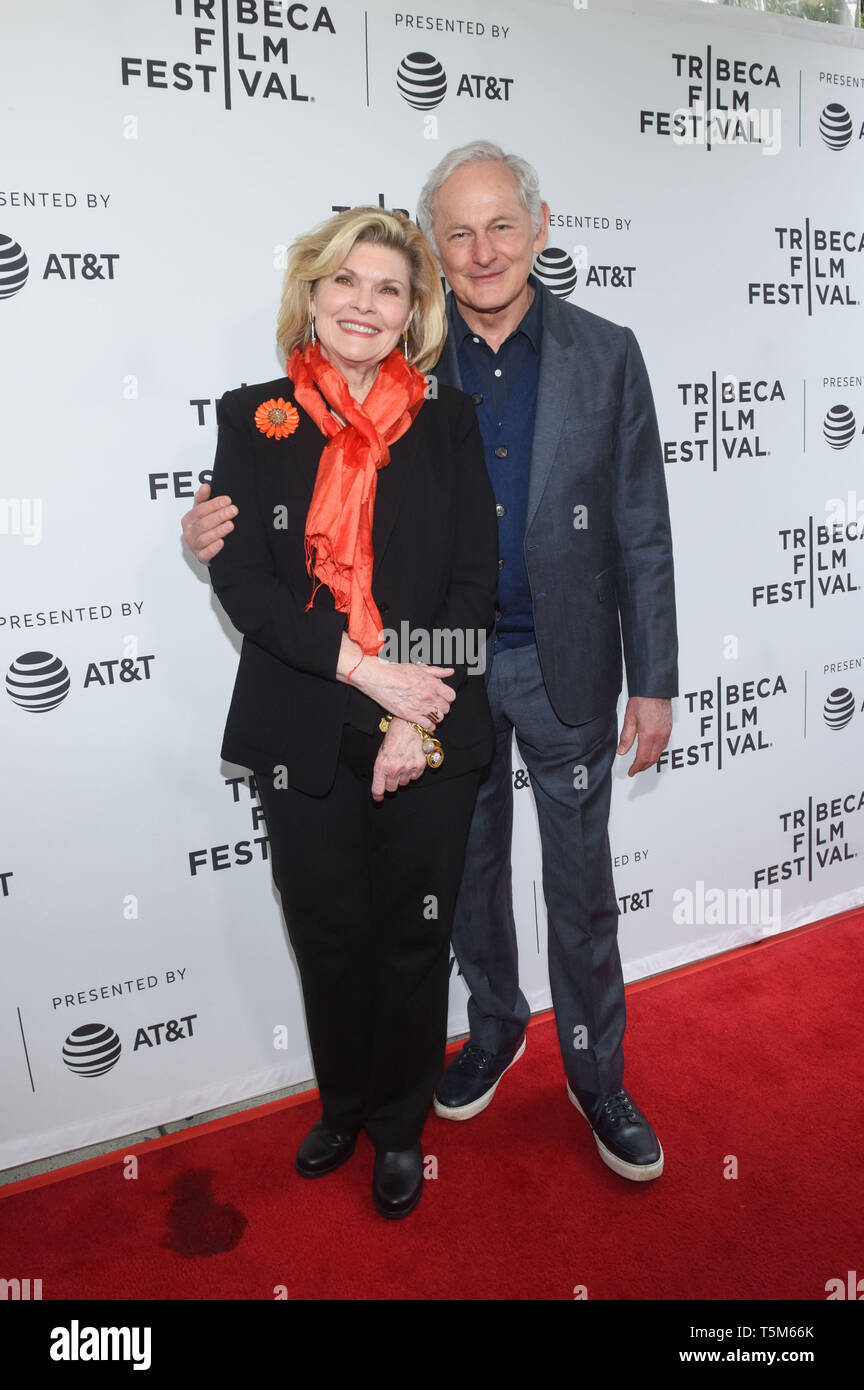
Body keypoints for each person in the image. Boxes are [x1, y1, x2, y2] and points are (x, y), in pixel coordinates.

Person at [184, 142, 678, 1183]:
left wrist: (656, 674)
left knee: (581, 887)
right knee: (462, 889)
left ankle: (598, 1080)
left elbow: (641, 527)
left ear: (540, 229)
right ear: (433, 262)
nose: (482, 248)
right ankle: (492, 1027)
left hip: (553, 664)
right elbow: (285, 562)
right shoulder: (402, 375)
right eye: (457, 231)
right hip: (424, 675)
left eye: (502, 225)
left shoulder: (603, 352)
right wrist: (208, 540)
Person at [204, 205, 498, 1218]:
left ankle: (400, 1126)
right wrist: (364, 676)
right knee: (328, 933)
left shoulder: (450, 422)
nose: (363, 304)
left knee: (414, 937)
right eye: (345, 283)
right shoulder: (254, 417)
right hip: (303, 725)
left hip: (430, 720)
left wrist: (412, 717)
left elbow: (473, 584)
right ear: (313, 293)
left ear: (413, 309)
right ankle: (343, 1102)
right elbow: (243, 585)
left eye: (387, 288)